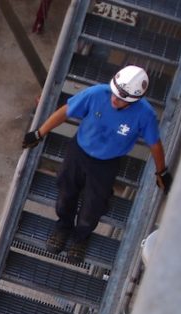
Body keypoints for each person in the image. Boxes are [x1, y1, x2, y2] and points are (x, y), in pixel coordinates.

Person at [22, 65, 172, 264]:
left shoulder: (144, 115)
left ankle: (80, 237)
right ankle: (63, 227)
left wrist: (161, 172)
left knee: (94, 205)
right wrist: (39, 133)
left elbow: (155, 144)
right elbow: (66, 111)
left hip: (106, 163)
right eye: (113, 93)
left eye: (120, 99)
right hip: (79, 152)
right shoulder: (96, 94)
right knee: (66, 192)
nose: (114, 99)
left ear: (133, 100)